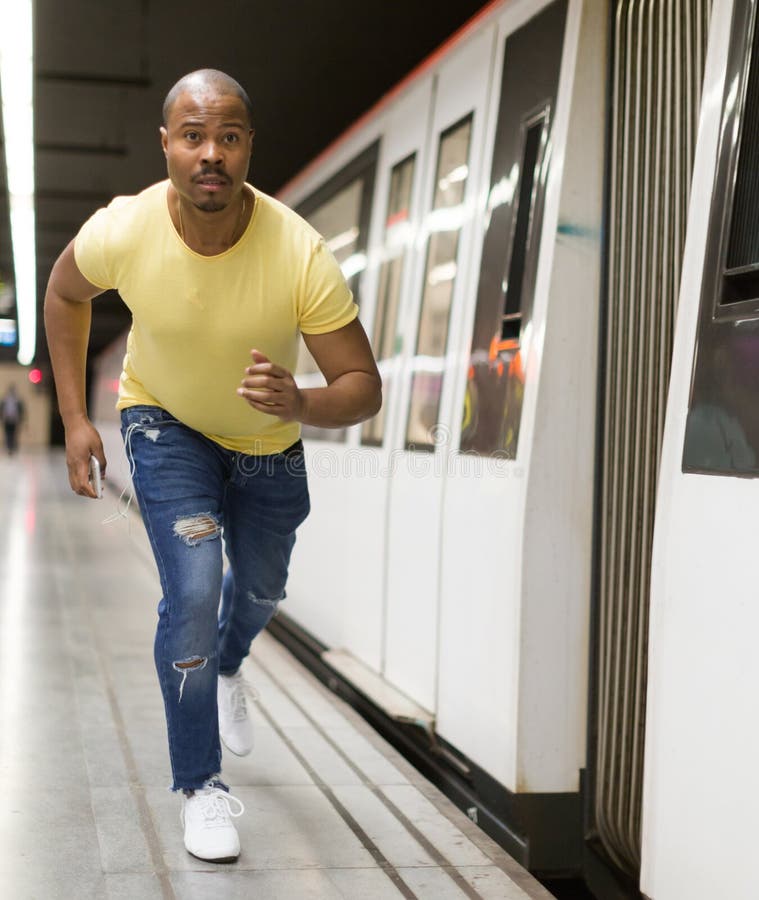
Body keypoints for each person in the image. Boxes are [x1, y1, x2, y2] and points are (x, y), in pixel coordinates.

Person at [44, 69, 381, 863]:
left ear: (246, 148)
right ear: (166, 145)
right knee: (192, 589)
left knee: (260, 586)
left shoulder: (299, 253)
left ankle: (229, 666)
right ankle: (201, 785)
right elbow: (64, 294)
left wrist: (298, 402)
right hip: (164, 428)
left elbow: (360, 388)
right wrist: (71, 418)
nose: (210, 154)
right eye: (193, 136)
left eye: (227, 137)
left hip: (267, 448)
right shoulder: (123, 229)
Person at [1, 384, 24, 454]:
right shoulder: (5, 400)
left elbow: (21, 411)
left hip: (14, 420)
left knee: (13, 434)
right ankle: (8, 447)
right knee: (7, 434)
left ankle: (12, 447)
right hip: (7, 420)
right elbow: (1, 409)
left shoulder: (18, 400)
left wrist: (21, 419)